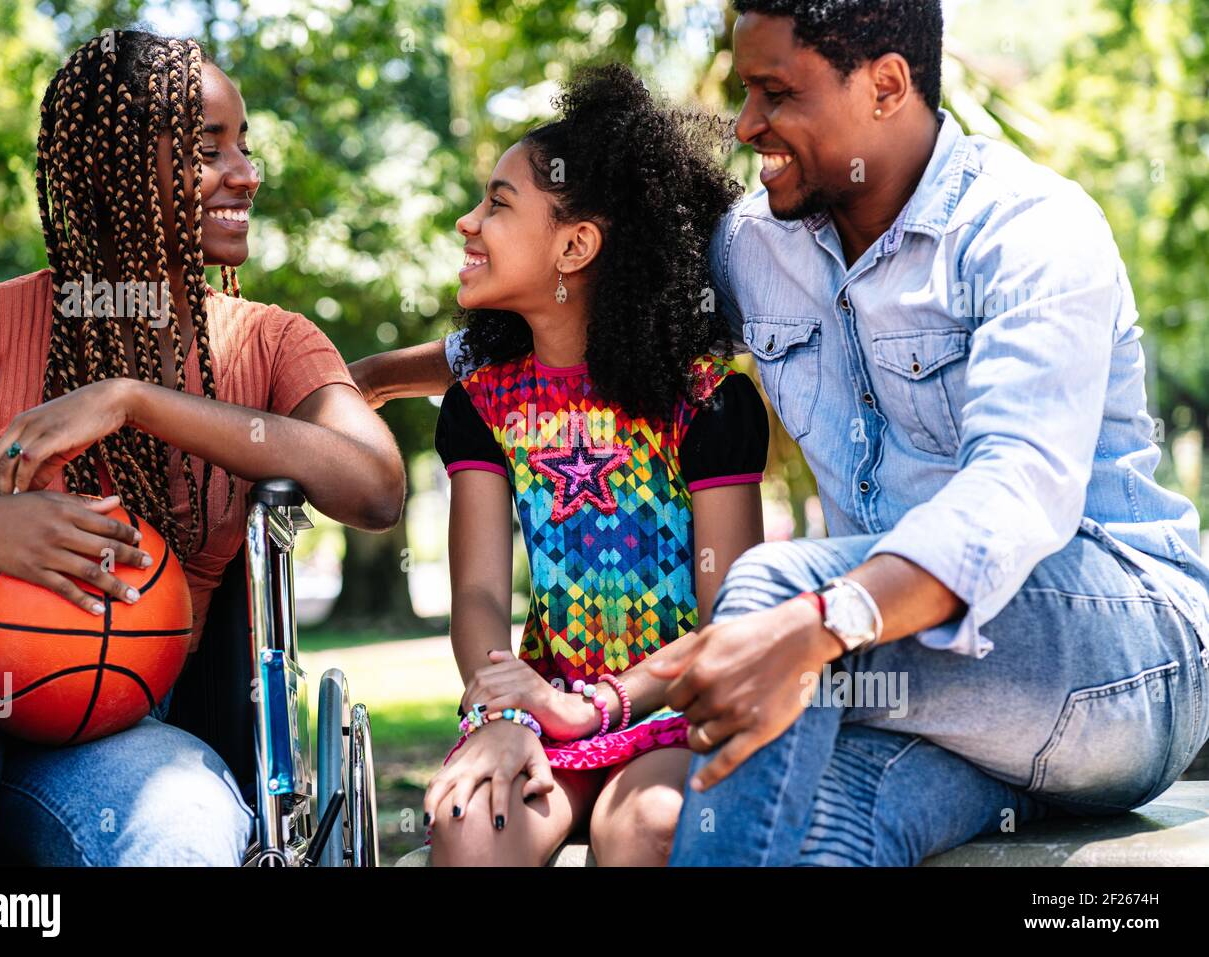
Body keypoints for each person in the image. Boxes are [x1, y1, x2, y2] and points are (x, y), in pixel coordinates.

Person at [354, 0, 1209, 866]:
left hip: (1118, 666)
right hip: (926, 694)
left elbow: (1016, 492)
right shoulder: (760, 250)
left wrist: (824, 619)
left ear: (884, 85)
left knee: (768, 585)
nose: (745, 123)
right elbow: (598, 317)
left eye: (774, 92)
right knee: (799, 834)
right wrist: (380, 378)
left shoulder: (1028, 231)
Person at [0, 29, 405, 866]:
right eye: (210, 150)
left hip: (120, 727)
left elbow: (375, 486)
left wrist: (131, 401)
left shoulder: (269, 345)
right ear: (115, 173)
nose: (245, 172)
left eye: (244, 146)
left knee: (184, 827)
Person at [419, 64, 769, 866]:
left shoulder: (705, 402)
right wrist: (501, 710)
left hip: (674, 707)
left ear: (575, 245)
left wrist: (606, 704)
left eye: (499, 204)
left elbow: (728, 622)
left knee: (643, 822)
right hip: (538, 705)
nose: (469, 223)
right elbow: (477, 591)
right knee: (469, 822)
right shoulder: (482, 405)